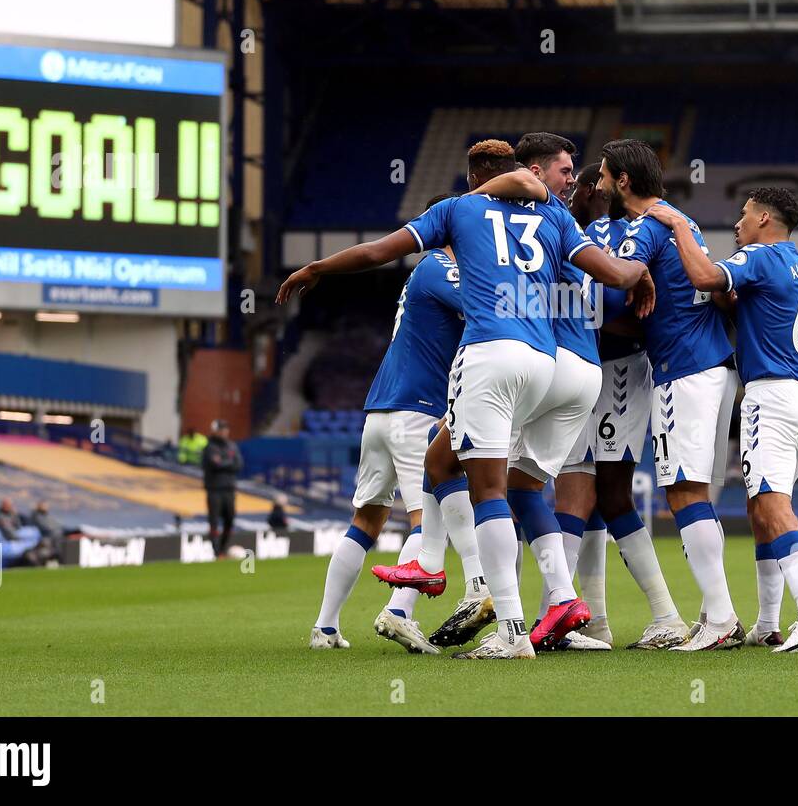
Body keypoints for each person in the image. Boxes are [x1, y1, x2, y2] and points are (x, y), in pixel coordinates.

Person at [277, 145, 652, 659]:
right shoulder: (556, 219)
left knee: (482, 486)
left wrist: (317, 268)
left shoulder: (456, 210)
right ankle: (546, 594)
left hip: (489, 356)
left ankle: (505, 624)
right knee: (483, 473)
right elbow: (614, 274)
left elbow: (376, 253)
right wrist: (641, 270)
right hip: (549, 362)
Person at [645, 187, 798, 652]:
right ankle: (768, 621)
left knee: (772, 504)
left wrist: (676, 226)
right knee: (760, 507)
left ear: (765, 220)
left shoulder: (758, 255)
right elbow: (745, 307)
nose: (737, 224)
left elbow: (705, 276)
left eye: (744, 215)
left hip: (770, 395)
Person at [304, 191, 468, 655]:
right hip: (416, 410)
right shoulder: (442, 266)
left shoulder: (424, 272)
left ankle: (326, 625)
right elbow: (493, 308)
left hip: (382, 408)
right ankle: (399, 613)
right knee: (427, 518)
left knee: (368, 519)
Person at [600, 138, 744, 651]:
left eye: (602, 175)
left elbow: (617, 282)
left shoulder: (647, 225)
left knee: (682, 491)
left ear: (622, 182)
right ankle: (716, 613)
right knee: (699, 494)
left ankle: (720, 619)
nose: (597, 184)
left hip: (682, 369)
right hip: (715, 365)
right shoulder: (683, 220)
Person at [554, 159, 689, 650]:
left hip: (621, 373)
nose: (571, 192)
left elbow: (631, 313)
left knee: (611, 494)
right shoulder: (579, 235)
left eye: (580, 184)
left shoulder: (623, 234)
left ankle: (667, 616)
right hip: (581, 373)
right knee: (580, 496)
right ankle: (589, 620)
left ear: (597, 188)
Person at [202, 420, 243, 557]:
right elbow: (215, 465)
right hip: (214, 489)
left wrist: (224, 462)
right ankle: (216, 550)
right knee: (214, 520)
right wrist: (229, 462)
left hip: (229, 488)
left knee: (230, 519)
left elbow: (238, 464)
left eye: (226, 429)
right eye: (221, 429)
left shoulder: (232, 446)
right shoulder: (210, 447)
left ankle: (223, 549)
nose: (224, 432)